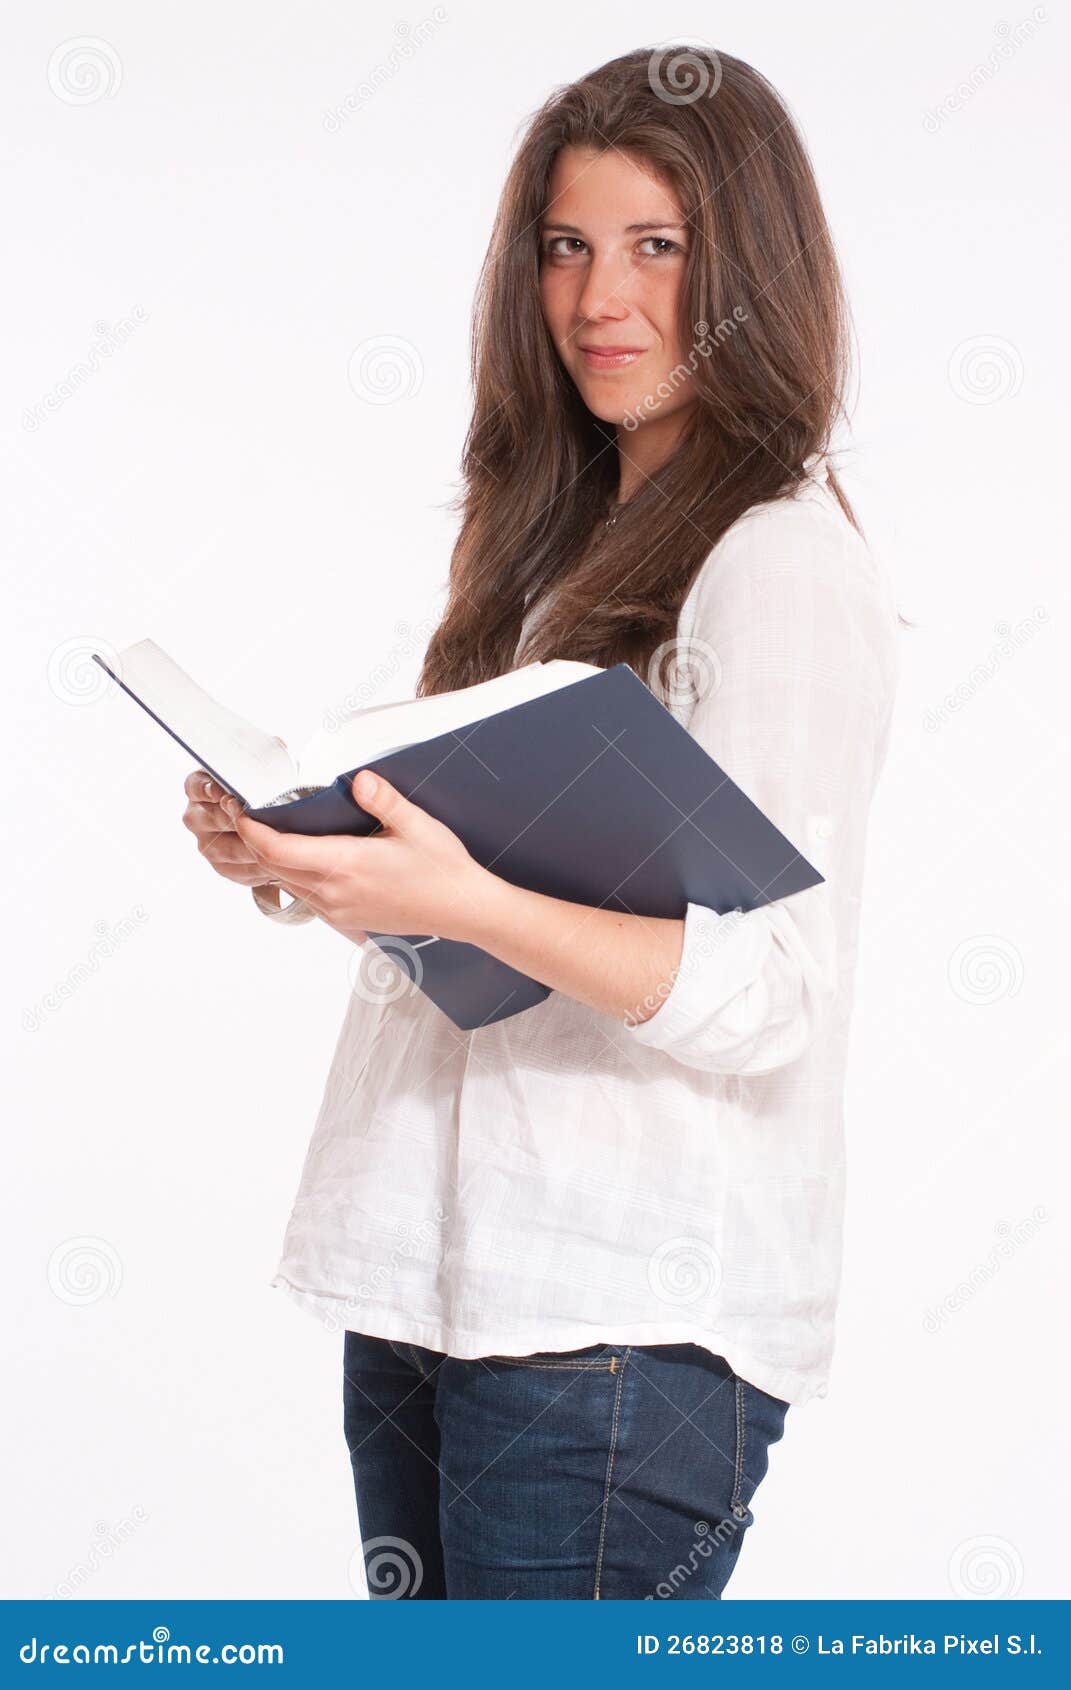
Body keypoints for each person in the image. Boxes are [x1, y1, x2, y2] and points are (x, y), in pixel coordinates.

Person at [181, 46, 900, 1600]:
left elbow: (769, 985)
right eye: (568, 248)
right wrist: (308, 861)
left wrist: (465, 894)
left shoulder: (775, 565)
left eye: (659, 247)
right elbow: (499, 899)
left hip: (616, 1332)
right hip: (445, 1294)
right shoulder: (554, 556)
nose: (598, 301)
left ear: (750, 270)